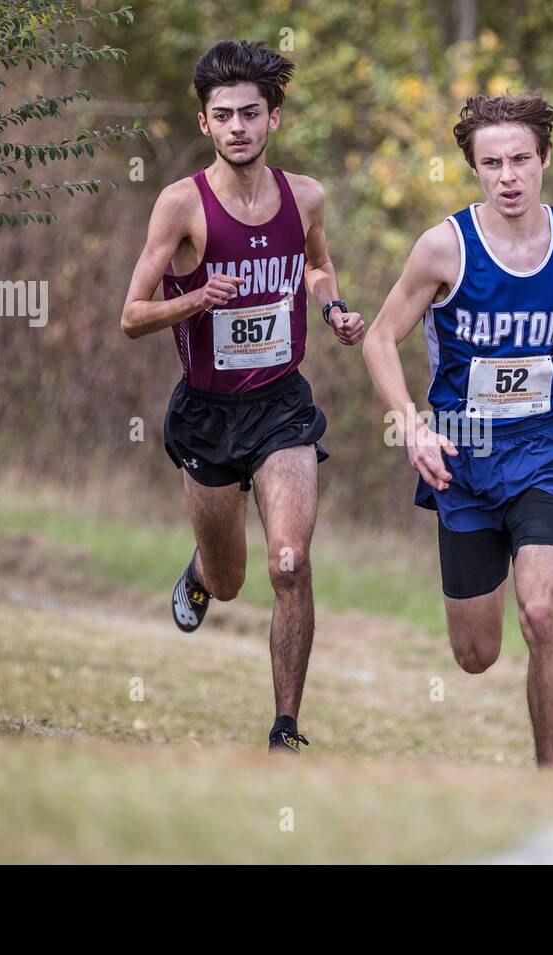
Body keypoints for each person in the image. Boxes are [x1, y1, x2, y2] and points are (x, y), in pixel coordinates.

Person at [363, 93, 553, 768]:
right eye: (492, 163)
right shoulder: (443, 248)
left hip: (543, 450)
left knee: (542, 611)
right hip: (461, 454)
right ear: (476, 169)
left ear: (545, 158)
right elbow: (378, 337)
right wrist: (411, 426)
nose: (508, 175)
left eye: (521, 159)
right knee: (475, 653)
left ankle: (550, 784)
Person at [120, 40, 363, 755]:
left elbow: (317, 264)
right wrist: (196, 298)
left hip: (283, 405)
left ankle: (285, 727)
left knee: (290, 560)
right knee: (230, 582)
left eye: (249, 114)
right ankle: (202, 566)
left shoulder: (306, 196)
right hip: (207, 414)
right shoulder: (180, 206)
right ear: (204, 124)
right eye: (222, 116)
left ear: (274, 119)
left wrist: (334, 309)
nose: (237, 128)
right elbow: (131, 315)